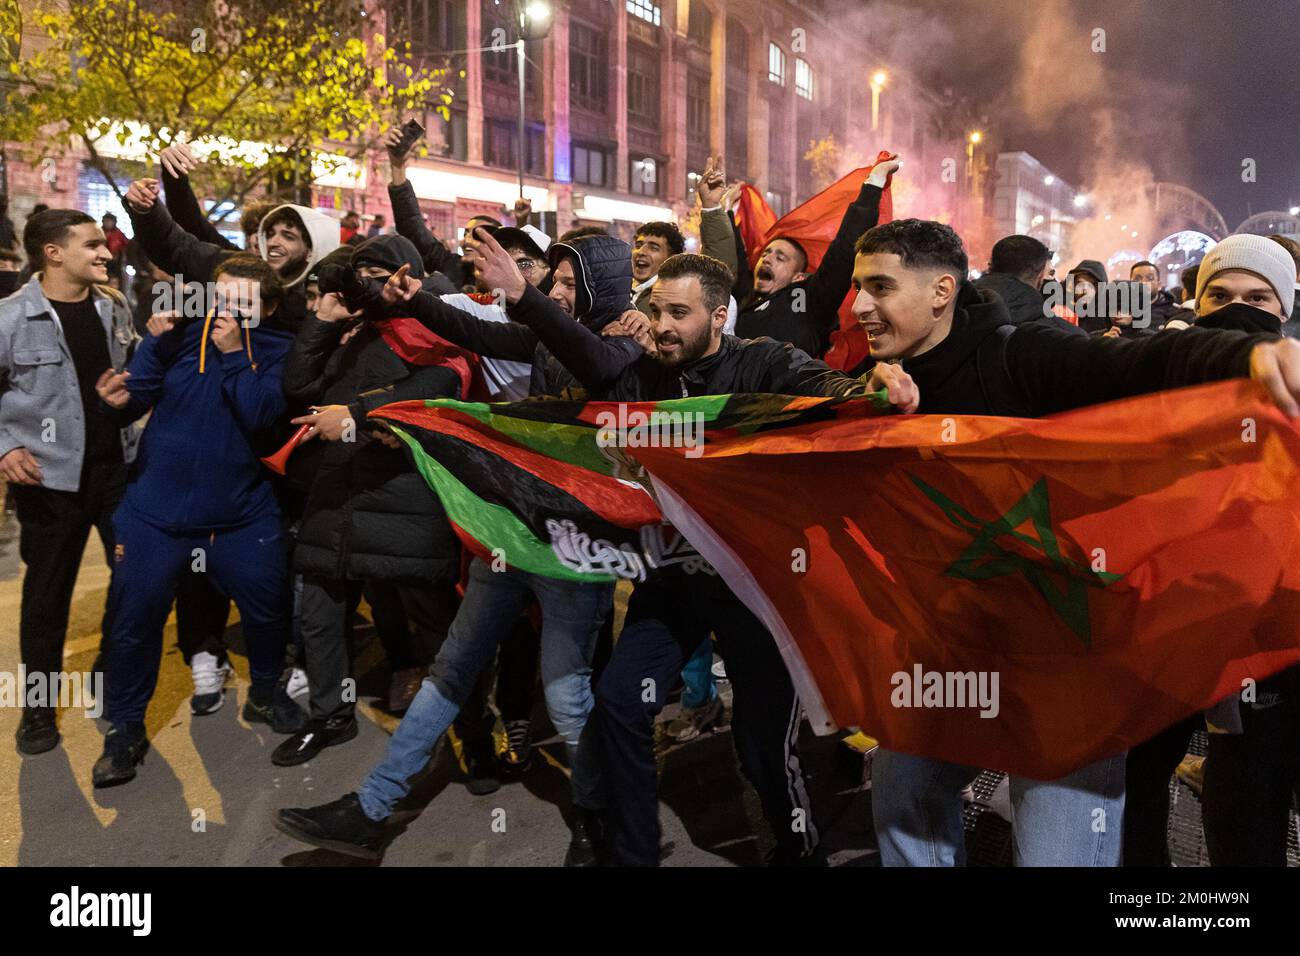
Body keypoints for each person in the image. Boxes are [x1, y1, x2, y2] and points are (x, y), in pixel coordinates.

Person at [842, 218, 1300, 866]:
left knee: (1064, 849)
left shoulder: (1024, 353)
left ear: (941, 291)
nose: (860, 305)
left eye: (878, 287)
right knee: (905, 802)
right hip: (949, 642)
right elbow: (787, 402)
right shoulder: (876, 377)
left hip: (1070, 657)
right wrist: (852, 398)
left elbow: (1137, 362)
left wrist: (1243, 358)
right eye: (858, 287)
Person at [468, 243, 882, 866]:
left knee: (764, 746)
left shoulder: (764, 362)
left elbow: (828, 392)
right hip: (674, 575)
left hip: (757, 586)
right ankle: (632, 853)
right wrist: (525, 300)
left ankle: (797, 849)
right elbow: (584, 357)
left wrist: (870, 391)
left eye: (679, 314)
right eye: (656, 310)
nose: (662, 326)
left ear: (719, 317)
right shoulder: (641, 371)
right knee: (619, 703)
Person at [274, 231, 638, 866]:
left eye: (569, 283)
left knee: (566, 693)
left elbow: (598, 366)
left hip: (575, 549)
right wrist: (417, 296)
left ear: (603, 288)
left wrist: (526, 296)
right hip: (513, 531)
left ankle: (598, 813)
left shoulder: (626, 342)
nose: (556, 292)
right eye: (553, 281)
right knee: (450, 667)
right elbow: (475, 333)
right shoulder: (543, 331)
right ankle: (370, 809)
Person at [91, 254, 305, 787]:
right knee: (133, 622)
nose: (225, 312)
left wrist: (234, 356)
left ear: (271, 307)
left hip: (241, 515)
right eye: (220, 298)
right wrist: (115, 401)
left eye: (242, 304)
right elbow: (135, 396)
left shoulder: (282, 353)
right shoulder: (176, 337)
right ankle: (124, 730)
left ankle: (265, 692)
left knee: (267, 610)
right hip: (154, 515)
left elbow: (260, 416)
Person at [273, 234, 484, 768]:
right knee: (320, 613)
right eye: (359, 270)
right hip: (338, 491)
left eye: (377, 270)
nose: (366, 280)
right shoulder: (355, 327)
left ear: (406, 273)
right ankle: (330, 718)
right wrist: (324, 318)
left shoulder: (439, 319)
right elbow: (299, 386)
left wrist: (362, 414)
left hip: (404, 496)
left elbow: (443, 381)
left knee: (435, 622)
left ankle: (474, 734)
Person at [1121, 233, 1296, 866]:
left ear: (1287, 305)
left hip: (1271, 636)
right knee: (1141, 776)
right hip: (1169, 616)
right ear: (1196, 303)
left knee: (1248, 795)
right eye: (1218, 295)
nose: (1236, 308)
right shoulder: (1155, 366)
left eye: (1258, 296)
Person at [1, 209, 140, 755]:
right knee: (45, 601)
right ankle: (38, 710)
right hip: (47, 481)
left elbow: (132, 379)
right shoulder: (11, 318)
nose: (106, 254)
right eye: (92, 246)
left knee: (133, 583)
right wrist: (6, 446)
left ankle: (109, 675)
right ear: (53, 253)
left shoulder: (114, 308)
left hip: (116, 474)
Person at [733, 160, 895, 357]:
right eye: (766, 253)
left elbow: (843, 251)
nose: (767, 259)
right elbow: (736, 262)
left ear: (799, 277)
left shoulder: (803, 302)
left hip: (787, 389)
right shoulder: (745, 298)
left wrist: (873, 185)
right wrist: (720, 210)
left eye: (780, 258)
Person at [974, 235, 1084, 335]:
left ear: (990, 266)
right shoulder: (1066, 337)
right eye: (1050, 274)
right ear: (1040, 278)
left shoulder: (962, 313)